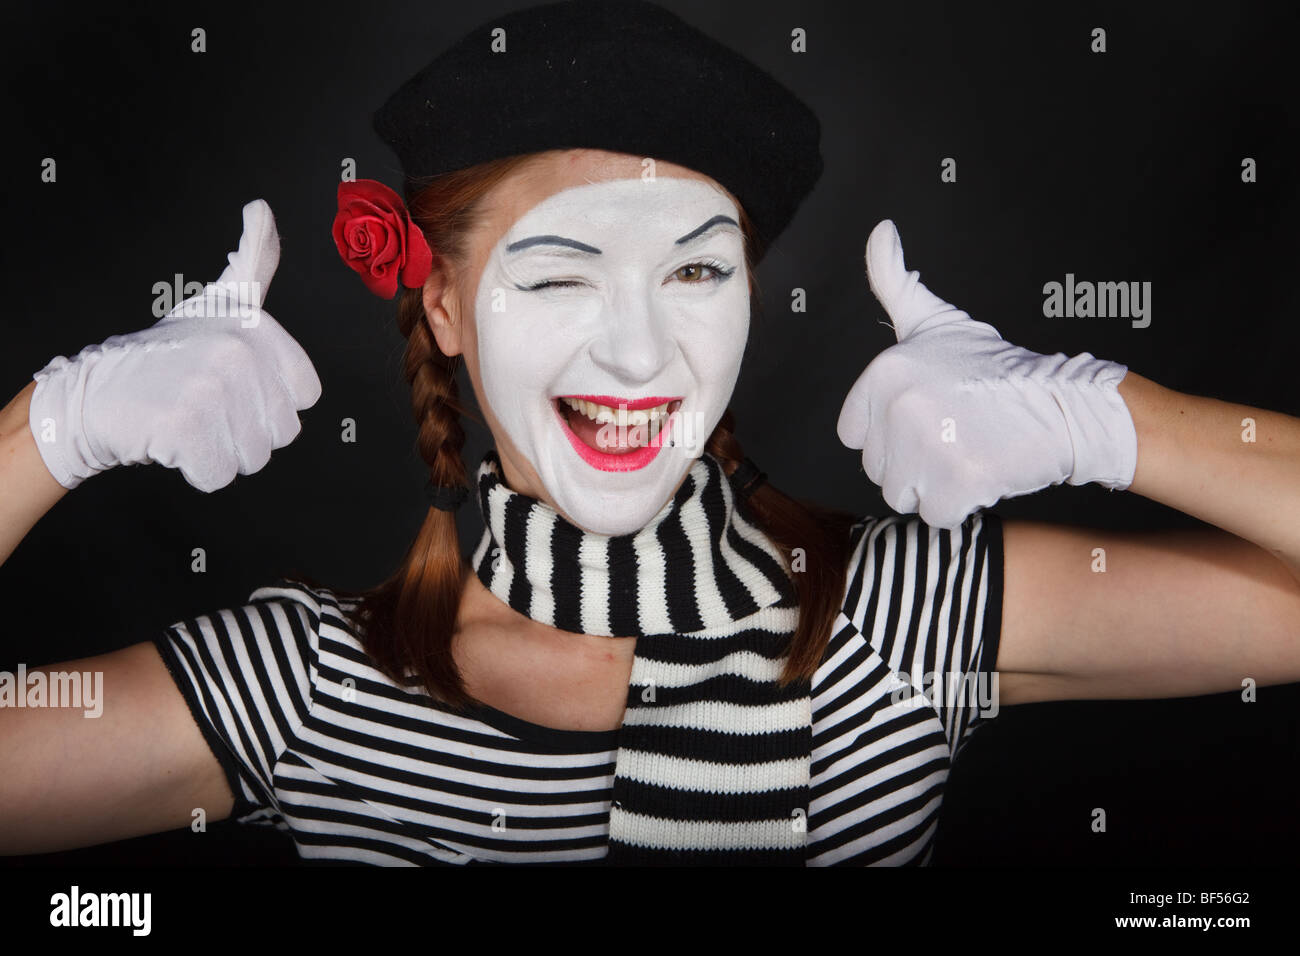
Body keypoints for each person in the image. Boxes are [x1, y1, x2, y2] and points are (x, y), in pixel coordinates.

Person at [2, 0, 1298, 866]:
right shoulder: (307, 682)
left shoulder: (905, 611)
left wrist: (1107, 419)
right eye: (559, 277)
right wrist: (56, 429)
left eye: (693, 274)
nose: (639, 352)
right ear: (443, 306)